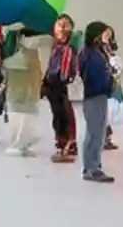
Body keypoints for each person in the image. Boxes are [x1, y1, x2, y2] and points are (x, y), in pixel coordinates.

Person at [78, 21, 115, 183]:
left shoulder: (95, 52)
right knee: (95, 133)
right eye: (105, 34)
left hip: (96, 96)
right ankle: (92, 168)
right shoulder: (92, 55)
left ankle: (93, 166)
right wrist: (110, 81)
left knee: (96, 132)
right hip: (95, 96)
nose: (108, 37)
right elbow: (95, 78)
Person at [1, 27, 46, 157]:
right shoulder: (19, 55)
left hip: (29, 95)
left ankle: (25, 144)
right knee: (19, 120)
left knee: (28, 121)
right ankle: (17, 144)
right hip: (19, 97)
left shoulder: (32, 54)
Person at [43, 13, 78, 163]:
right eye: (59, 25)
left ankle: (67, 144)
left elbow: (70, 69)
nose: (62, 29)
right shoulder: (52, 47)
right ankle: (62, 143)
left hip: (62, 84)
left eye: (65, 26)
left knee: (64, 114)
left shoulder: (69, 49)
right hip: (52, 84)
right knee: (58, 115)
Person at [102, 26, 123, 151]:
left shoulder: (110, 49)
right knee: (105, 112)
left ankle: (107, 138)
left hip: (113, 85)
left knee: (111, 112)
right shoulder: (99, 50)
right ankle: (104, 138)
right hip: (105, 85)